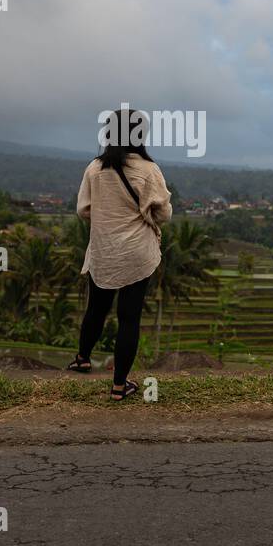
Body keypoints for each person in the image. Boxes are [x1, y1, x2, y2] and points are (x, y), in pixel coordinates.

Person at [68, 107, 172, 400]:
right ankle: (119, 385)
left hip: (104, 251)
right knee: (129, 318)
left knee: (96, 308)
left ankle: (82, 358)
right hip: (138, 253)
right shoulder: (149, 170)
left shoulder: (95, 168)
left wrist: (107, 218)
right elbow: (163, 213)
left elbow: (84, 210)